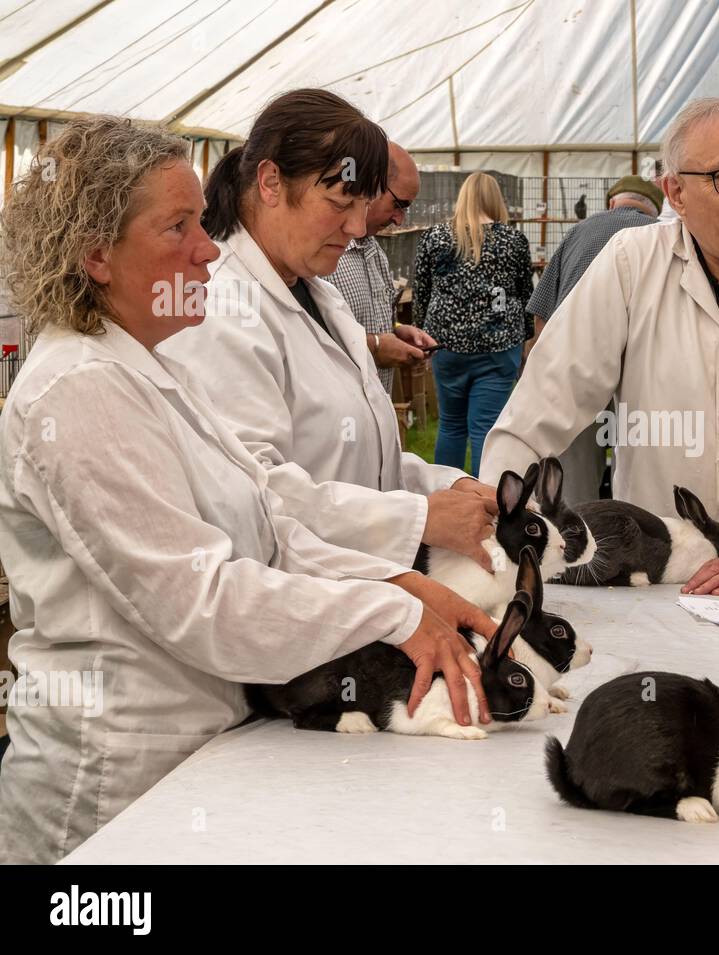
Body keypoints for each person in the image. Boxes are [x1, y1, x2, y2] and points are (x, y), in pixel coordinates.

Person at [0, 117, 495, 863]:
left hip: (201, 755)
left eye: (201, 221)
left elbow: (269, 519)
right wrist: (388, 607)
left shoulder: (152, 364)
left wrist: (396, 579)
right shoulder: (76, 392)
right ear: (97, 253)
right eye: (178, 228)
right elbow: (205, 601)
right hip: (113, 788)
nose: (206, 250)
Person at [480, 98, 719, 594]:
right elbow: (543, 401)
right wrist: (495, 523)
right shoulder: (631, 262)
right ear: (676, 193)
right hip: (659, 580)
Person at [157, 89, 497, 574]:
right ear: (271, 182)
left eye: (365, 204)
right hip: (297, 610)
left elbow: (360, 462)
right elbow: (254, 493)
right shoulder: (220, 308)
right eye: (341, 200)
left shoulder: (319, 294)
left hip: (360, 595)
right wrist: (418, 518)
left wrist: (443, 486)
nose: (359, 227)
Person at [524, 174, 665, 504]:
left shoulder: (578, 232)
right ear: (654, 210)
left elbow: (542, 311)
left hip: (576, 368)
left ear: (612, 202)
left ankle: (578, 541)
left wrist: (544, 370)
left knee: (574, 479)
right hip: (640, 377)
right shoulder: (660, 236)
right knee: (636, 476)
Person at [412, 172, 534, 476]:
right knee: (486, 428)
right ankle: (487, 503)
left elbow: (422, 293)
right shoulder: (513, 240)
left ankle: (444, 495)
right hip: (499, 346)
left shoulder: (435, 236)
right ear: (495, 199)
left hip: (445, 346)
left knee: (451, 425)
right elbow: (524, 293)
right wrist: (526, 340)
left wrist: (420, 337)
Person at [324, 141, 436, 395]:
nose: (399, 219)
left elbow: (359, 322)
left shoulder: (375, 251)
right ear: (369, 186)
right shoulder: (321, 254)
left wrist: (395, 331)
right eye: (399, 204)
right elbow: (303, 345)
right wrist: (375, 346)